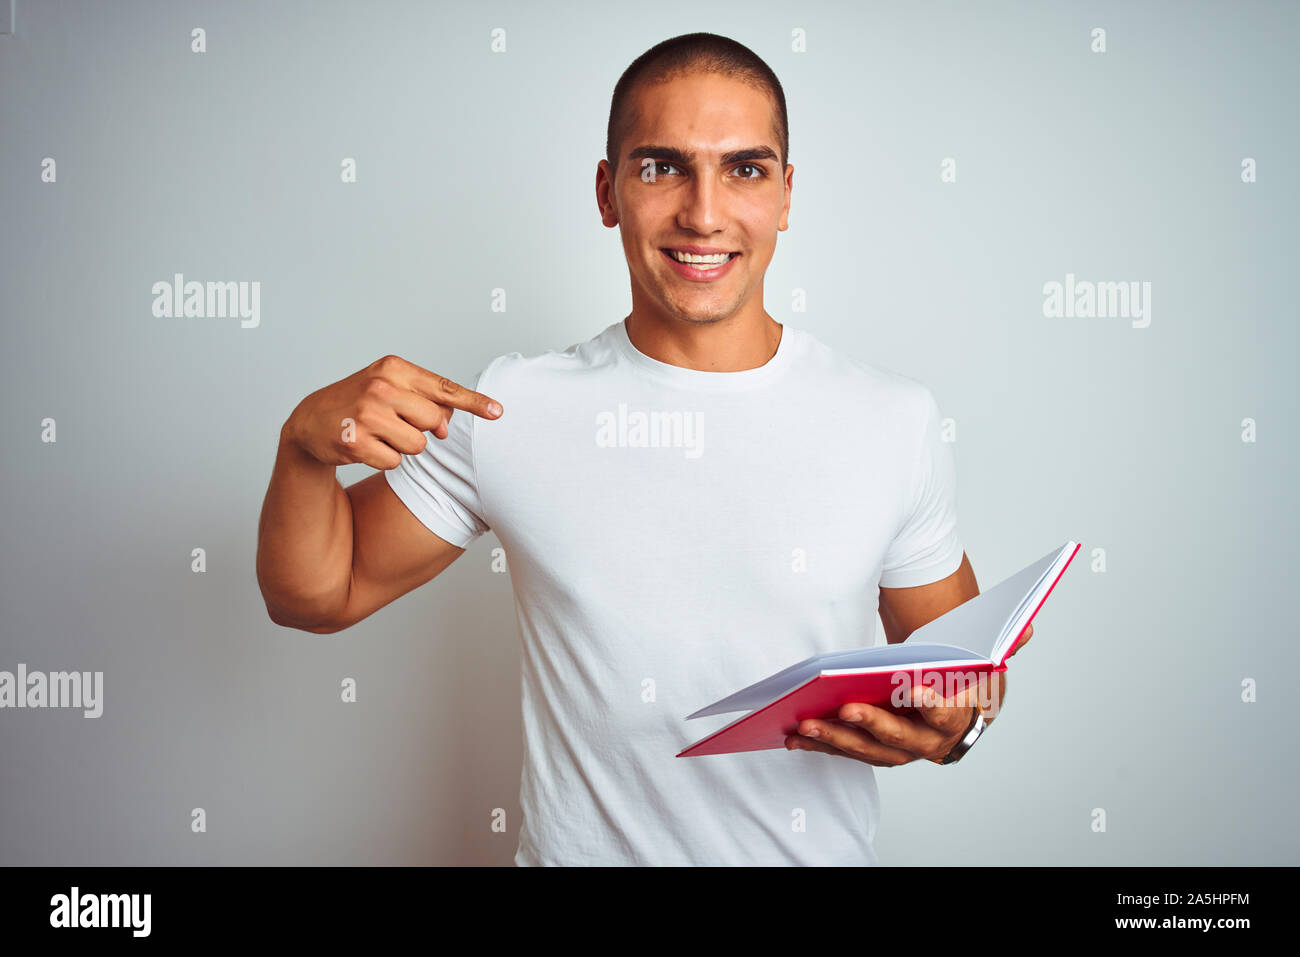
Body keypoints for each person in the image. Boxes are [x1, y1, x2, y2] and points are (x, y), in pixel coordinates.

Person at [256, 32, 1031, 866]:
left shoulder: (892, 420)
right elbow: (317, 595)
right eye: (663, 167)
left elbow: (961, 672)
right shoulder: (510, 408)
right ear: (608, 189)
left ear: (785, 192)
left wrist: (958, 727)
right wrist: (304, 446)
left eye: (744, 168)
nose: (704, 213)